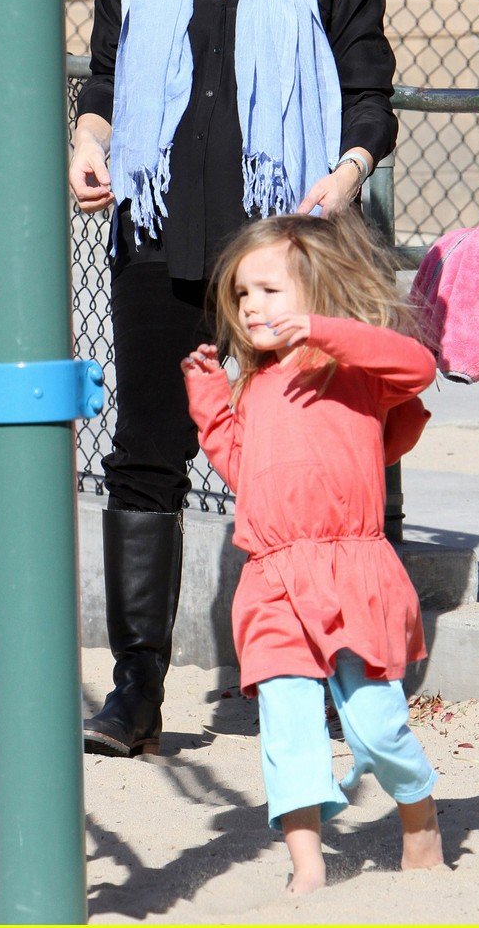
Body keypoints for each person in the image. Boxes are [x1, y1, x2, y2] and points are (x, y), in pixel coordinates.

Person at [70, 0, 398, 758]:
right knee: (145, 458)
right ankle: (136, 691)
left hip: (286, 257)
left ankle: (343, 672)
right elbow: (108, 78)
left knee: (325, 468)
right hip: (160, 241)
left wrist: (339, 181)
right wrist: (89, 140)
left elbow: (369, 102)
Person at [182, 213, 444, 892]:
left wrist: (327, 332)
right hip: (270, 579)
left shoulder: (353, 369)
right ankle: (307, 867)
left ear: (319, 290)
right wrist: (212, 404)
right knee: (289, 730)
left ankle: (419, 819)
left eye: (269, 289)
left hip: (352, 571)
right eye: (242, 295)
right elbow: (246, 472)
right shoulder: (255, 386)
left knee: (376, 729)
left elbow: (418, 367)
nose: (251, 306)